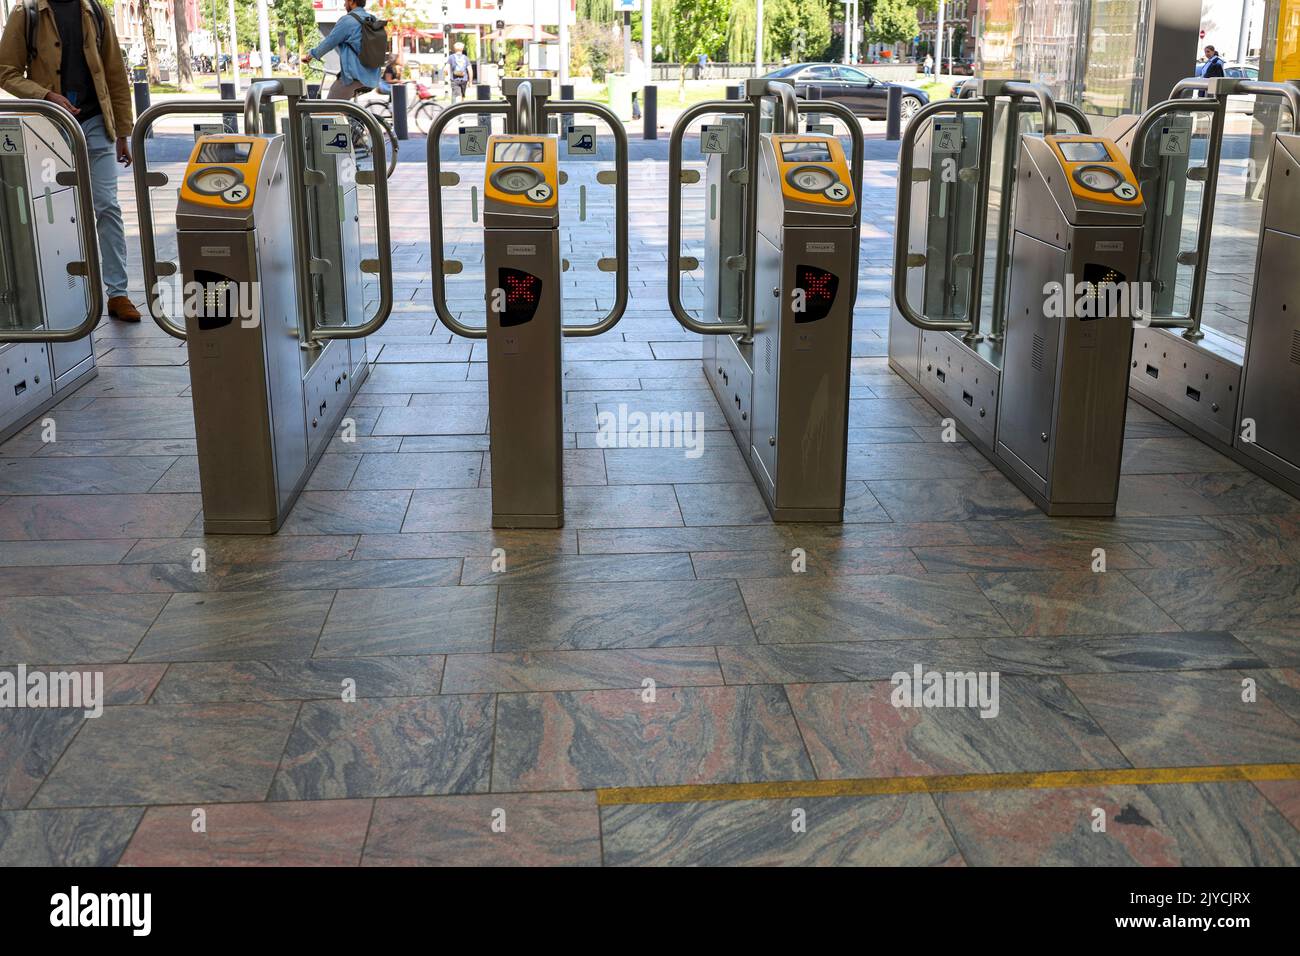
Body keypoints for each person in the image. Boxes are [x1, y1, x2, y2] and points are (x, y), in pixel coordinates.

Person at [0, 0, 140, 322]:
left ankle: (118, 293)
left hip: (95, 124)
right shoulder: (28, 14)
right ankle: (61, 295)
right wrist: (45, 95)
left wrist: (122, 132)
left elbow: (115, 72)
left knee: (107, 206)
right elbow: (6, 71)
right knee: (56, 214)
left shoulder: (95, 10)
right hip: (50, 126)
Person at [301, 0, 383, 100]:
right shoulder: (373, 19)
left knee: (330, 109)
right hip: (373, 78)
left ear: (352, 2)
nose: (344, 5)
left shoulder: (348, 20)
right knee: (344, 109)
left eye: (345, 1)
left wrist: (310, 55)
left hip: (355, 78)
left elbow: (329, 42)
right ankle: (350, 115)